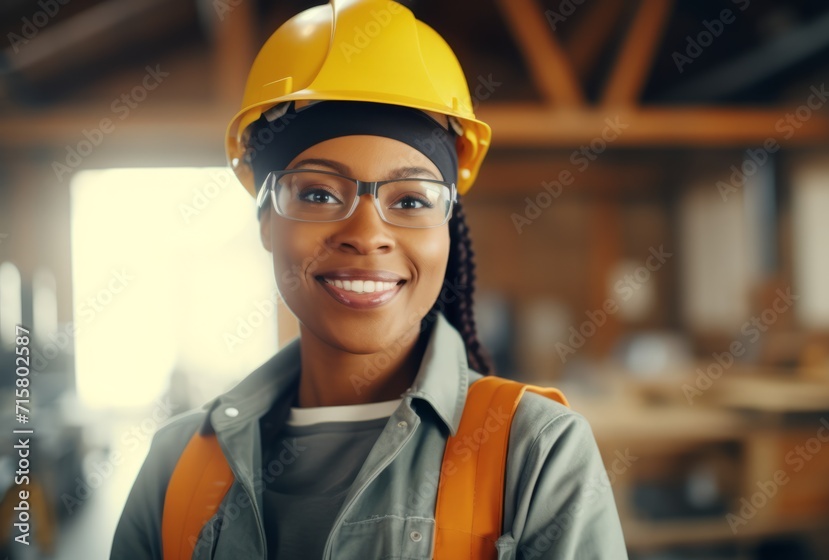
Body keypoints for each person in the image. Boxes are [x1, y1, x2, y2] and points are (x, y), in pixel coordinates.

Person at [109, 1, 628, 558]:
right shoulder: (176, 464)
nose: (367, 233)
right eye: (316, 193)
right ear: (265, 222)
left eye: (409, 199)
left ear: (447, 229)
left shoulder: (536, 452)